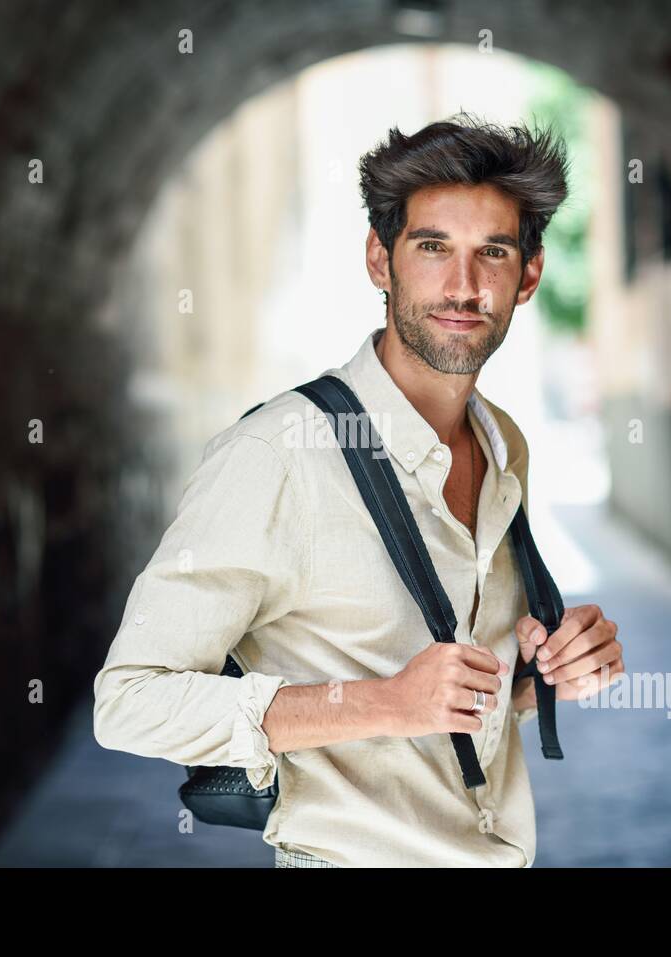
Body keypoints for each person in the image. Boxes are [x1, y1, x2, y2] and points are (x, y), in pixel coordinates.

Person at [93, 112, 625, 867]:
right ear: (381, 260)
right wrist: (384, 702)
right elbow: (128, 702)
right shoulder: (277, 455)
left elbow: (455, 699)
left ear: (529, 275)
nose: (463, 286)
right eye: (432, 247)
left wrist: (548, 673)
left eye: (493, 252)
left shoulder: (503, 443)